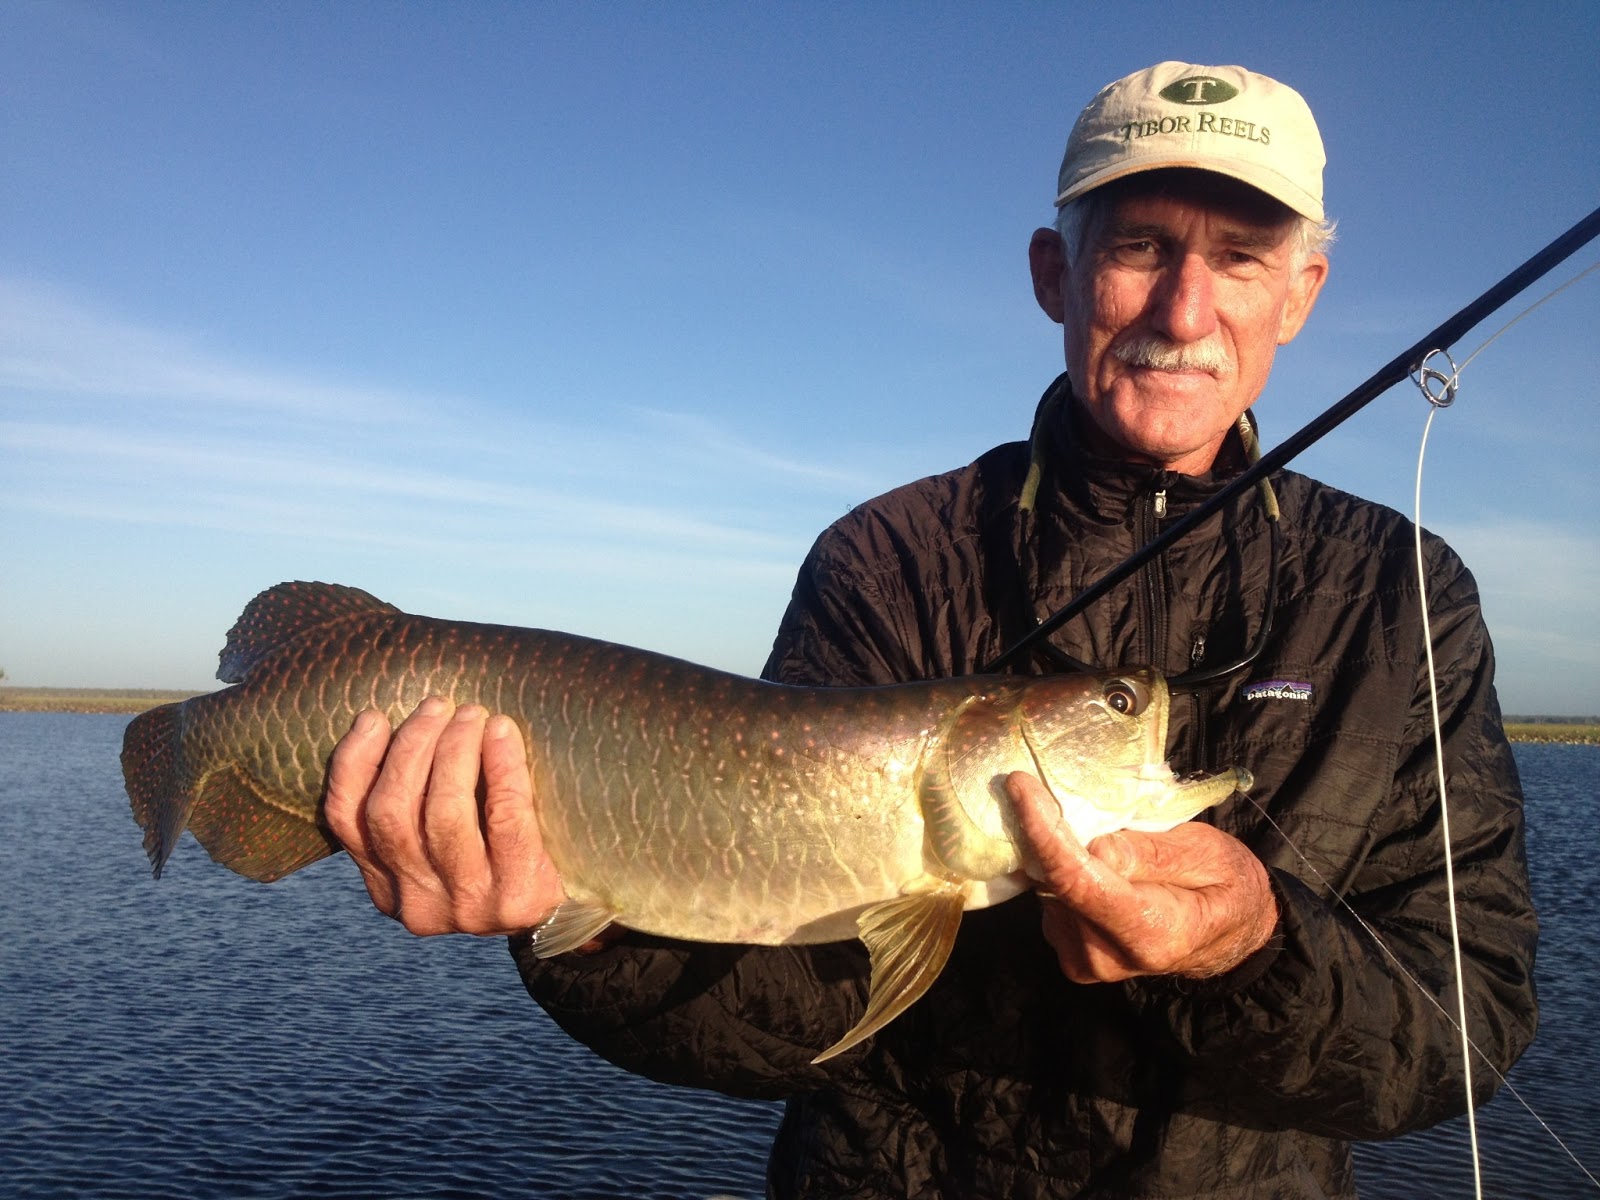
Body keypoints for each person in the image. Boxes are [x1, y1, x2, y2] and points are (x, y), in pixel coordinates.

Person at [323, 62, 1537, 1199]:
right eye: (1138, 247)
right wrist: (565, 923)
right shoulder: (889, 557)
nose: (1185, 305)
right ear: (1055, 275)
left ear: (1300, 294)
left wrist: (1254, 950)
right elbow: (781, 1020)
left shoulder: (1402, 589)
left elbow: (1464, 1023)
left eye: (1238, 256)